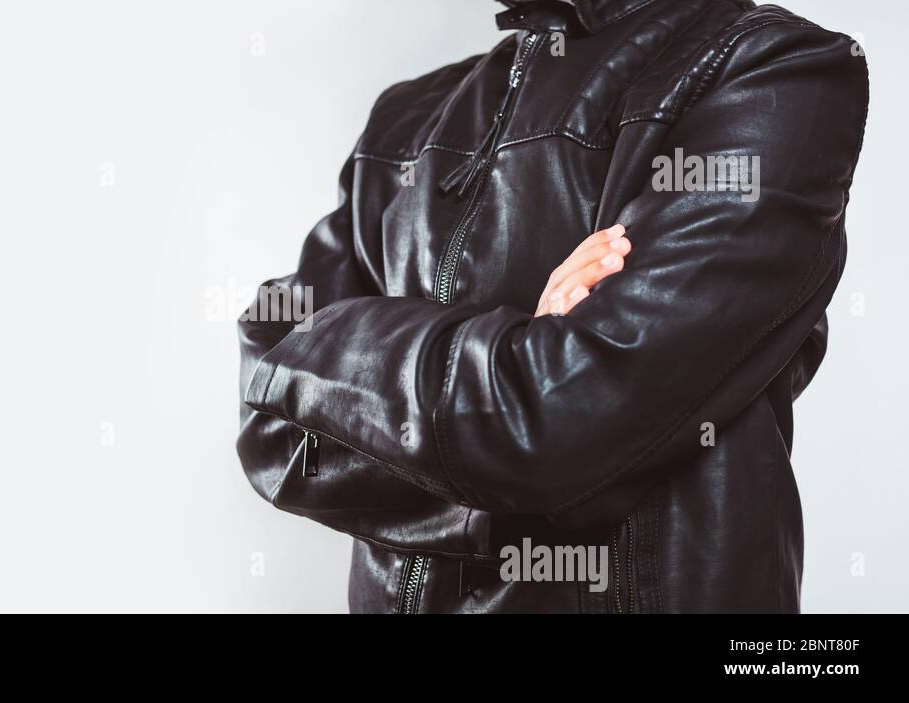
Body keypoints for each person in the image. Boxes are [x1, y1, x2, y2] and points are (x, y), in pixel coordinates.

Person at [236, 0, 869, 613]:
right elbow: (269, 420)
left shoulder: (770, 69)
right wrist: (518, 352)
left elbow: (556, 422)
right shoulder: (403, 118)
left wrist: (339, 363)